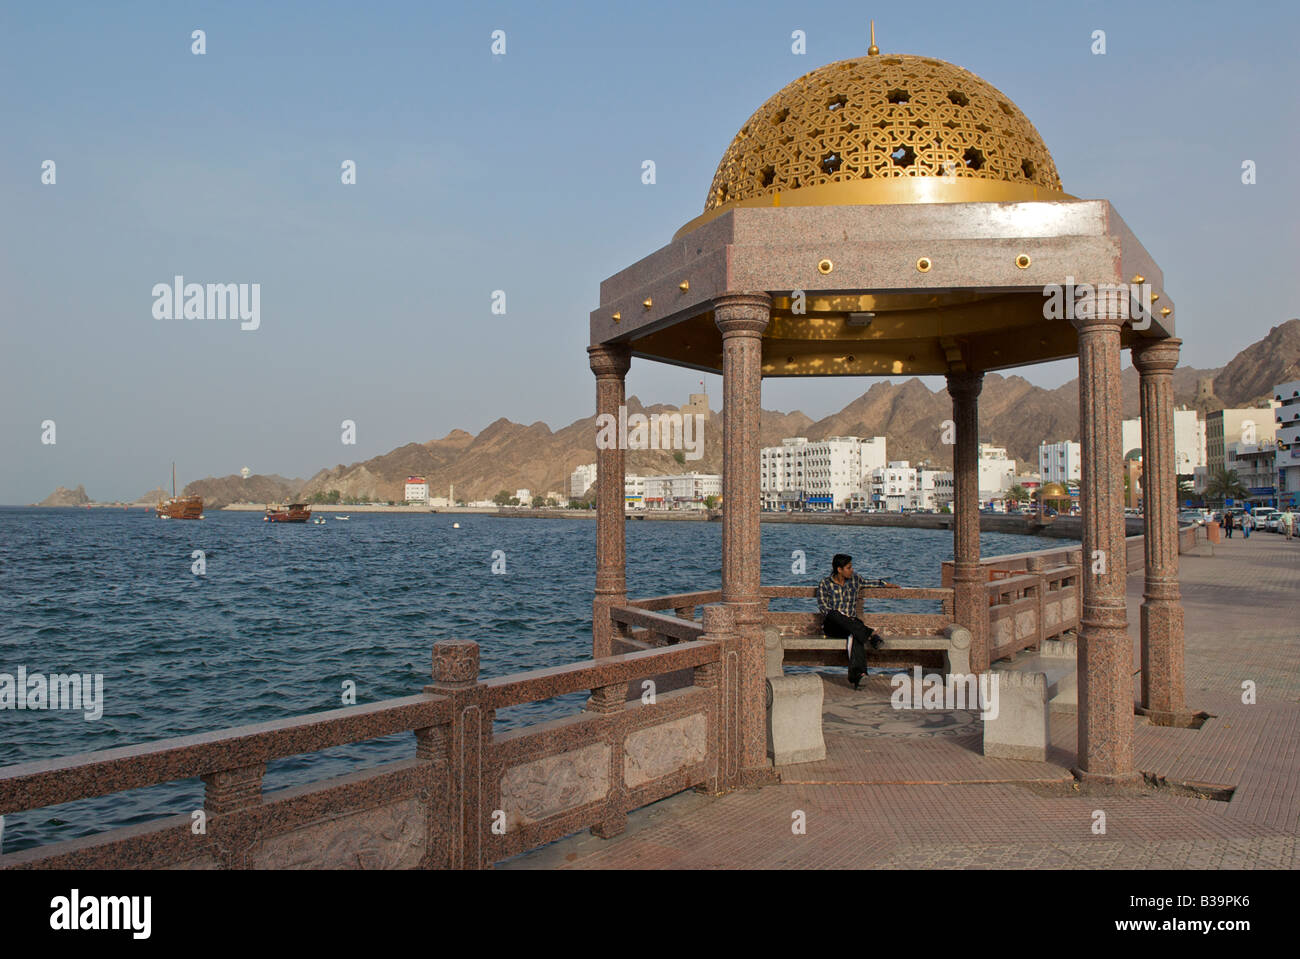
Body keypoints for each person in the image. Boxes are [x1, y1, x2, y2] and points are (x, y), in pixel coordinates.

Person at [816, 553, 897, 690]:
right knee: (834, 614)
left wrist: (886, 584)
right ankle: (870, 634)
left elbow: (870, 583)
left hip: (852, 626)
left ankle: (859, 676)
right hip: (833, 625)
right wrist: (843, 617)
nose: (852, 570)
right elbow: (824, 608)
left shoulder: (855, 580)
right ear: (839, 569)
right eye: (849, 567)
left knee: (854, 635)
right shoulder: (825, 584)